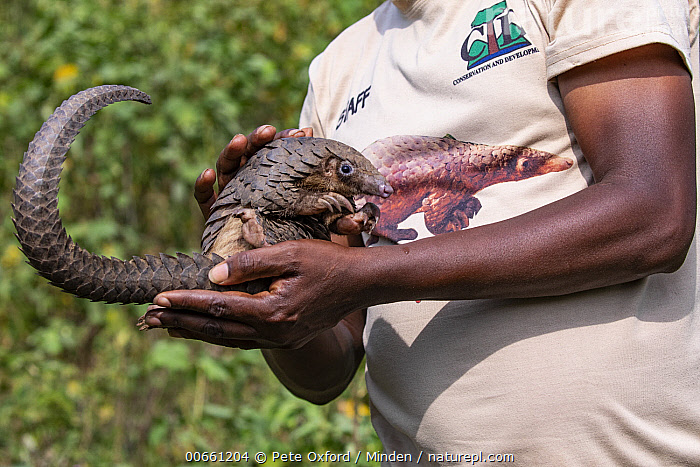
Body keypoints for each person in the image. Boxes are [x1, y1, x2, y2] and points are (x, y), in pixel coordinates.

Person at [142, 0, 700, 464]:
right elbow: (329, 364)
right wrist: (262, 283)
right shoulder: (339, 65)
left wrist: (362, 274)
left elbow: (654, 214)